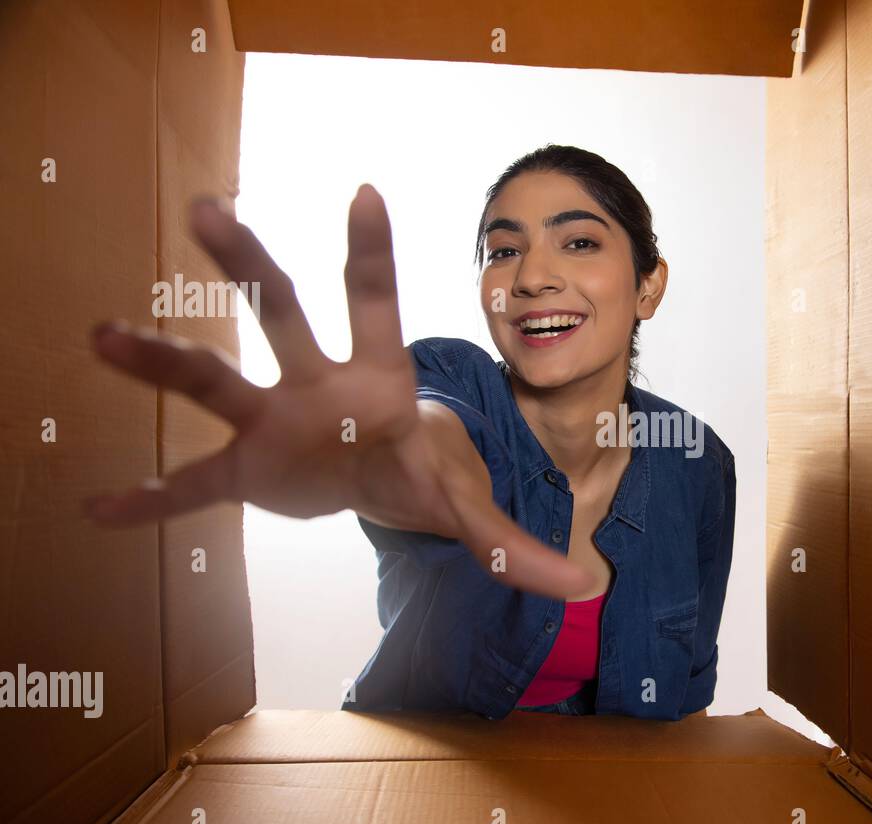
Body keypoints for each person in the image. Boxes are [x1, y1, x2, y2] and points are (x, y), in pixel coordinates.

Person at [83, 144, 736, 722]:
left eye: (579, 242)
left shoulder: (698, 463)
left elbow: (687, 699)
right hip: (418, 783)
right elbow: (435, 443)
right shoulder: (452, 374)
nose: (531, 278)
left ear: (649, 286)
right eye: (504, 251)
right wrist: (368, 462)